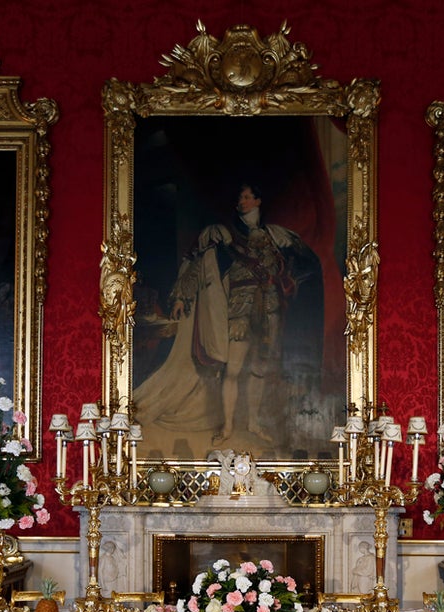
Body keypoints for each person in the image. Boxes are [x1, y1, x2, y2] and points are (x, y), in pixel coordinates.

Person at [133, 183, 321, 447]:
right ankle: (229, 425)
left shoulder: (276, 235)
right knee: (232, 370)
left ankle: (253, 423)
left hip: (269, 309)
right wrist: (181, 297)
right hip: (239, 309)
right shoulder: (223, 234)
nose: (241, 202)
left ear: (258, 201)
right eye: (240, 198)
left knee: (259, 370)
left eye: (247, 197)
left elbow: (304, 263)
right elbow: (196, 263)